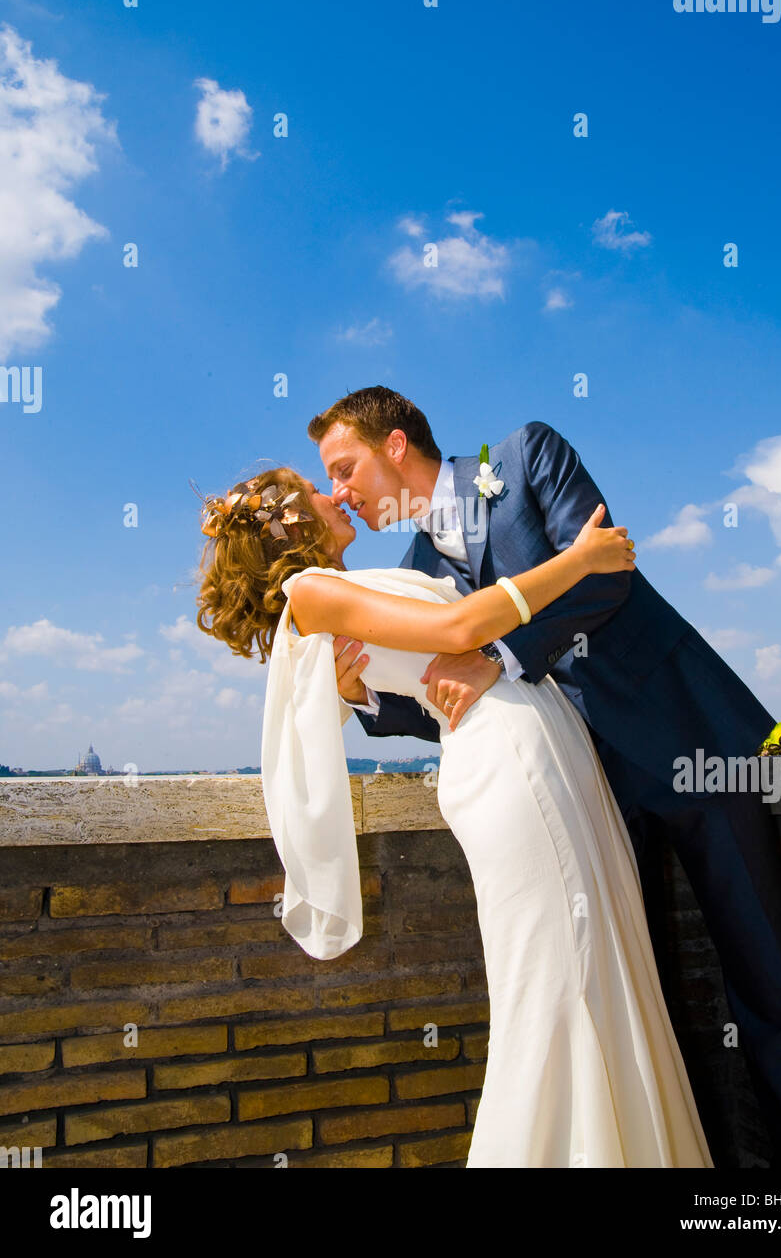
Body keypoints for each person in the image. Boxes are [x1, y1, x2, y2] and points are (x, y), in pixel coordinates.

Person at [307, 385, 781, 1168]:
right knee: (645, 1002)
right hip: (578, 792)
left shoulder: (526, 455)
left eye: (344, 466)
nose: (340, 492)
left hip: (688, 744)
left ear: (394, 443)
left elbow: (604, 575)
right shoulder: (415, 571)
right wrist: (358, 691)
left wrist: (498, 654)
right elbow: (443, 702)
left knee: (769, 984)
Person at [195, 465, 713, 1167]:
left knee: (596, 956)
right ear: (294, 518)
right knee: (556, 976)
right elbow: (460, 625)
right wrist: (577, 561)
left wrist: (355, 687)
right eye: (321, 490)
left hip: (541, 745)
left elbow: (426, 656)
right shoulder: (310, 590)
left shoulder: (343, 586)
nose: (338, 494)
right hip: (508, 765)